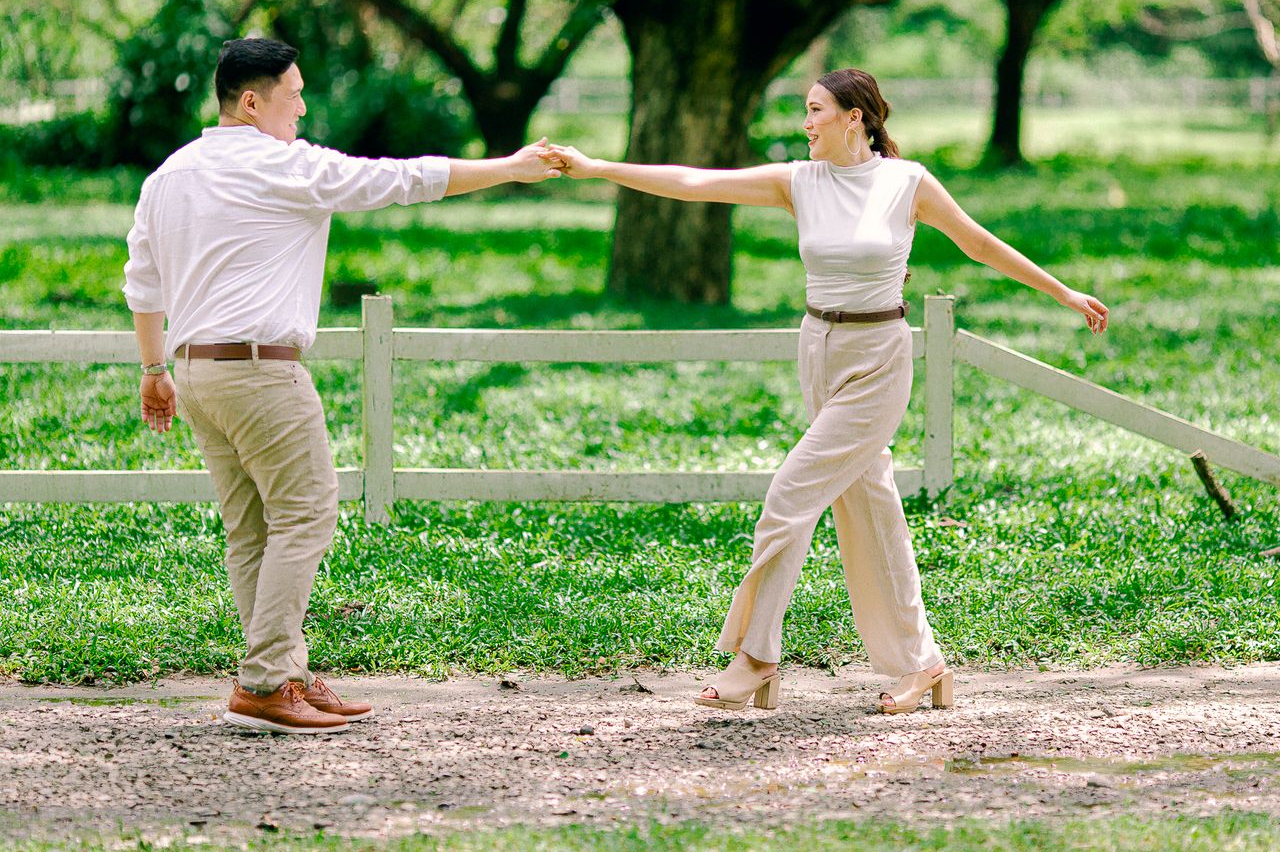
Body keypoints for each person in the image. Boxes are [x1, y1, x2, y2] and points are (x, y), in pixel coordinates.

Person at [542, 69, 1107, 714]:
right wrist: (595, 168)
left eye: (815, 110)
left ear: (854, 118)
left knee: (790, 493)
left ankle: (754, 657)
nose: (805, 122)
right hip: (818, 350)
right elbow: (695, 183)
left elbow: (977, 243)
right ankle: (924, 665)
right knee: (871, 508)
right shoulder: (797, 182)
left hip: (878, 357)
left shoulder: (906, 183)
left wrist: (1063, 292)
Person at [123, 37, 561, 734]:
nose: (301, 108)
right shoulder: (284, 166)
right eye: (292, 95)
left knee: (253, 533)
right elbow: (401, 179)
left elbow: (141, 280)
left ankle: (285, 671)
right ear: (250, 102)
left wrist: (153, 370)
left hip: (196, 373)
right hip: (262, 372)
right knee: (307, 515)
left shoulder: (168, 176)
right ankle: (265, 682)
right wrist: (509, 167)